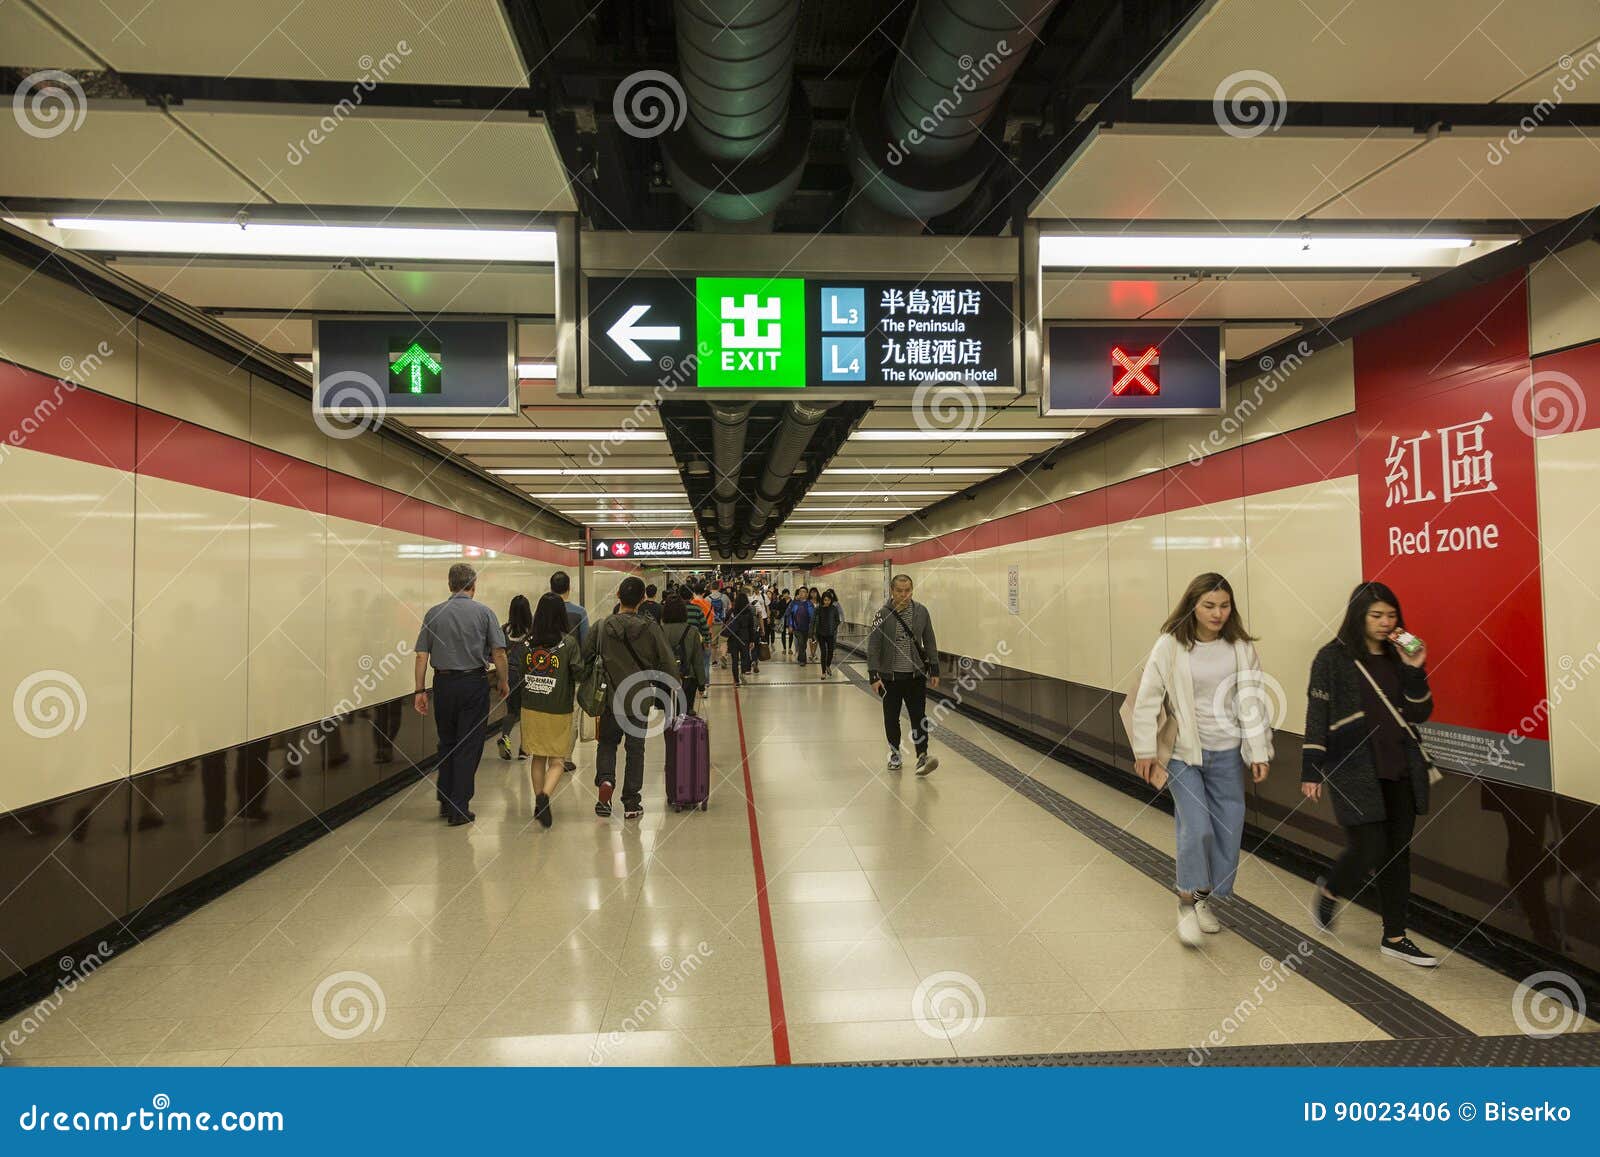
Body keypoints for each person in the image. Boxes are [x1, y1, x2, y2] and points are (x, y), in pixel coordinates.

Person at [1129, 573, 1272, 947]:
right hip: (1183, 754)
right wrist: (1145, 749)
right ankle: (1185, 903)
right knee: (1197, 828)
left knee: (1227, 831)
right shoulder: (1170, 645)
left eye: (1224, 606)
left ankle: (1204, 900)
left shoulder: (1240, 647)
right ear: (1192, 604)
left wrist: (1257, 750)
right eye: (1209, 605)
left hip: (1227, 753)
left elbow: (1252, 700)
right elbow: (1147, 698)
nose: (1217, 613)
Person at [1302, 581, 1439, 967]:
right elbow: (1318, 716)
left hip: (1399, 766)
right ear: (1358, 616)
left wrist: (1415, 669)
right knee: (1369, 847)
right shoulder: (1331, 659)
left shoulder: (1400, 658)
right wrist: (1311, 767)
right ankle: (1332, 888)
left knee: (1397, 854)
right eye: (1375, 615)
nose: (1384, 623)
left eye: (1391, 616)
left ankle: (1395, 937)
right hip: (1352, 768)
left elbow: (1420, 712)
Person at [413, 563, 507, 826]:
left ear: (449, 585)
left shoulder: (433, 613)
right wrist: (503, 681)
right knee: (469, 744)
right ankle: (459, 806)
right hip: (473, 684)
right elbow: (499, 653)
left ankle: (445, 798)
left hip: (443, 684)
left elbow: (422, 655)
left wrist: (420, 690)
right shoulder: (485, 613)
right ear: (473, 585)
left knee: (447, 741)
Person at [581, 576, 679, 820]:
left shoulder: (602, 626)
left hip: (609, 697)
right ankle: (632, 802)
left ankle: (605, 782)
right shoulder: (651, 628)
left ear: (618, 597)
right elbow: (668, 665)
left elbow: (585, 660)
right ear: (643, 600)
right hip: (639, 698)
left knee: (607, 743)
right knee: (636, 749)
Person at [866, 575, 941, 776]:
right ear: (892, 590)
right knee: (891, 718)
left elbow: (930, 640)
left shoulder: (921, 612)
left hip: (915, 675)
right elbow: (873, 645)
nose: (903, 594)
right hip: (890, 677)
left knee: (919, 717)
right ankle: (895, 753)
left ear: (912, 590)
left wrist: (934, 668)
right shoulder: (882, 614)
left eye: (907, 590)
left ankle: (922, 755)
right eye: (899, 590)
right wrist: (873, 675)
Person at [519, 593, 582, 828]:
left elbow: (521, 671)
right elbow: (578, 671)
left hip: (531, 707)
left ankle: (538, 800)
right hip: (559, 708)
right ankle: (545, 796)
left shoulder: (527, 643)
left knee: (538, 756)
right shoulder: (568, 643)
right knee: (557, 760)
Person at [551, 569, 588, 773]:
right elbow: (586, 644)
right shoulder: (579, 612)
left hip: (548, 672)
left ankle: (550, 752)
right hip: (572, 673)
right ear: (569, 588)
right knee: (571, 714)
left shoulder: (543, 611)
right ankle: (566, 757)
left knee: (549, 712)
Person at [497, 594, 534, 761]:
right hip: (528, 674)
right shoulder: (533, 632)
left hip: (509, 673)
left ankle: (505, 736)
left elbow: (495, 652)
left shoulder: (504, 629)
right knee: (527, 711)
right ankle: (524, 749)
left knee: (512, 711)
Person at [660, 594, 704, 714]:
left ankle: (670, 732)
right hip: (688, 677)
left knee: (669, 713)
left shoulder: (659, 630)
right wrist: (701, 684)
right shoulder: (692, 631)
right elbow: (698, 659)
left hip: (666, 678)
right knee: (685, 712)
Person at [725, 590, 758, 686]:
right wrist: (752, 640)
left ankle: (736, 680)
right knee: (745, 657)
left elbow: (726, 622)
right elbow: (751, 627)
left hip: (733, 637)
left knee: (734, 660)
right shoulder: (749, 612)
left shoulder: (732, 612)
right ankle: (743, 673)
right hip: (745, 637)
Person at [688, 583, 714, 690]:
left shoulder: (690, 605)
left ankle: (693, 684)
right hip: (705, 637)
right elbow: (710, 623)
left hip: (691, 638)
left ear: (693, 593)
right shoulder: (709, 606)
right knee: (706, 663)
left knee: (691, 662)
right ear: (703, 593)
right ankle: (705, 685)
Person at [814, 588, 842, 678]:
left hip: (830, 634)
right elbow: (814, 621)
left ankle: (828, 665)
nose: (827, 602)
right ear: (822, 600)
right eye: (825, 600)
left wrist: (833, 628)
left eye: (828, 600)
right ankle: (823, 672)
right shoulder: (819, 609)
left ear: (831, 600)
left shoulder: (834, 609)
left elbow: (837, 621)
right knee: (823, 652)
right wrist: (813, 633)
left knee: (830, 651)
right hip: (820, 634)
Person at [786, 587, 814, 667]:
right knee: (801, 643)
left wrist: (812, 628)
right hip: (796, 628)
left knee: (803, 645)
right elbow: (789, 614)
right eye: (800, 592)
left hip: (806, 628)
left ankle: (800, 657)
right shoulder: (794, 603)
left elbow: (812, 617)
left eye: (804, 592)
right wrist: (790, 625)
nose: (802, 593)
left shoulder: (809, 604)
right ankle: (803, 660)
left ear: (807, 594)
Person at [777, 589, 793, 653]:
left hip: (790, 619)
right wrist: (778, 618)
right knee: (783, 633)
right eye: (783, 594)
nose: (785, 595)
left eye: (786, 593)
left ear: (788, 593)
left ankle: (790, 648)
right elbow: (778, 610)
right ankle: (784, 648)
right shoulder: (781, 601)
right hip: (783, 619)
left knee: (790, 633)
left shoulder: (792, 601)